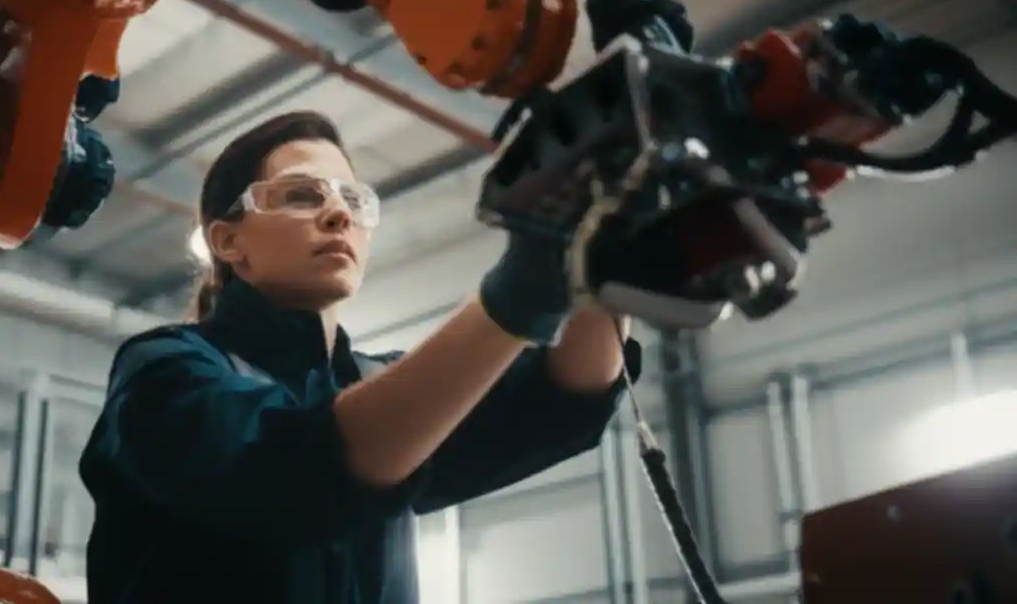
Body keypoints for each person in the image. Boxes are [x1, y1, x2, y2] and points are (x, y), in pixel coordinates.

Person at [79, 110, 640, 603]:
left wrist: (611, 248)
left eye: (352, 198)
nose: (338, 214)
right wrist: (516, 296)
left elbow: (567, 391)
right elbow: (299, 465)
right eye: (301, 195)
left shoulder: (383, 386)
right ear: (228, 243)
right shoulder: (164, 371)